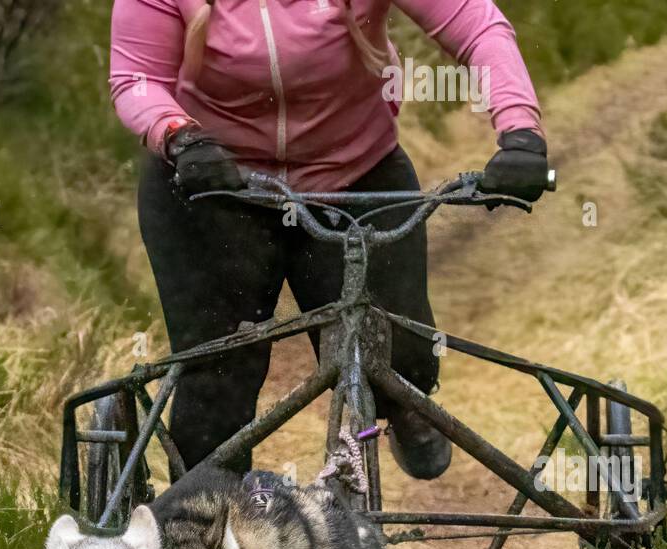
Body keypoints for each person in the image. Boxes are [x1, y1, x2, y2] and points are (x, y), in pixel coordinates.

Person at [109, 0, 550, 479]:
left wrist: (520, 131)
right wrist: (178, 135)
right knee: (217, 378)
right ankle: (206, 528)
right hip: (214, 182)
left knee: (398, 352)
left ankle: (403, 402)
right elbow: (136, 77)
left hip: (355, 174)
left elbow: (475, 25)